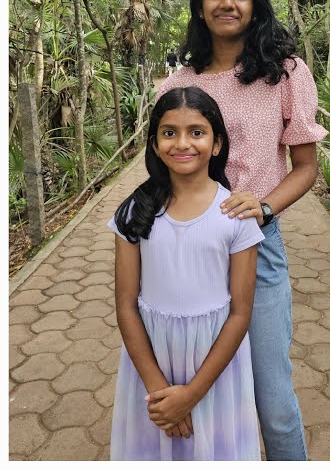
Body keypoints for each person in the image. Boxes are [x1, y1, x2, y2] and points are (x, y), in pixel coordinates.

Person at [159, 0, 327, 460]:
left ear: (255, 5)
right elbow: (162, 168)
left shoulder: (285, 74)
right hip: (188, 250)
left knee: (273, 402)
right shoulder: (177, 85)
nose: (227, 3)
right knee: (197, 392)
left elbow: (305, 167)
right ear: (200, 5)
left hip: (257, 247)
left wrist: (266, 207)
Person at [110, 87, 262, 460]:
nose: (182, 143)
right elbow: (126, 306)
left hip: (215, 365)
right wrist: (159, 390)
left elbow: (241, 312)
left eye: (196, 132)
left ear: (217, 143)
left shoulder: (236, 216)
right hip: (151, 358)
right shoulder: (134, 213)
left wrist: (191, 395)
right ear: (154, 143)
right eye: (169, 132)